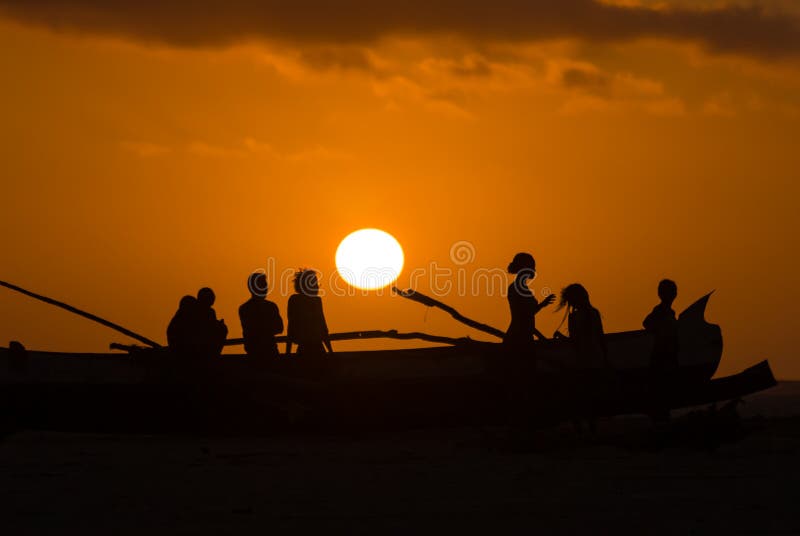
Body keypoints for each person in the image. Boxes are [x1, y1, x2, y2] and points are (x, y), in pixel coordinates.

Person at [503, 252, 555, 352]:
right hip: (519, 340)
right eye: (532, 266)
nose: (534, 270)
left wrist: (543, 304)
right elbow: (524, 317)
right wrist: (542, 338)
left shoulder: (518, 287)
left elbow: (527, 315)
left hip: (522, 337)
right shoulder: (518, 288)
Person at [556, 283, 608, 368]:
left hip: (584, 361)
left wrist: (560, 337)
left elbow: (575, 342)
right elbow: (600, 337)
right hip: (597, 359)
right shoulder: (594, 313)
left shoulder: (575, 316)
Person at [286, 269, 333, 357]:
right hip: (307, 348)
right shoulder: (296, 300)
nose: (317, 286)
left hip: (315, 348)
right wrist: (330, 351)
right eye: (314, 283)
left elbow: (323, 327)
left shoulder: (316, 300)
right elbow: (291, 327)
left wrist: (330, 351)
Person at [238, 272, 284, 359]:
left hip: (261, 353)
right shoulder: (270, 307)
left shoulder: (244, 308)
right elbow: (278, 328)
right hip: (263, 353)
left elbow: (279, 328)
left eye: (265, 285)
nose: (266, 288)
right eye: (262, 285)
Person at [643, 279, 679, 371]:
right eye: (671, 291)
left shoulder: (670, 313)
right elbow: (646, 323)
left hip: (669, 353)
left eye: (673, 291)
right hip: (661, 354)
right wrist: (660, 331)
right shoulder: (660, 310)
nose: (673, 294)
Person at [196, 287, 228, 358]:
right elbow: (209, 327)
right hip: (202, 345)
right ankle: (214, 355)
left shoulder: (207, 311)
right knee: (223, 328)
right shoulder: (207, 312)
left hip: (200, 343)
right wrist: (220, 325)